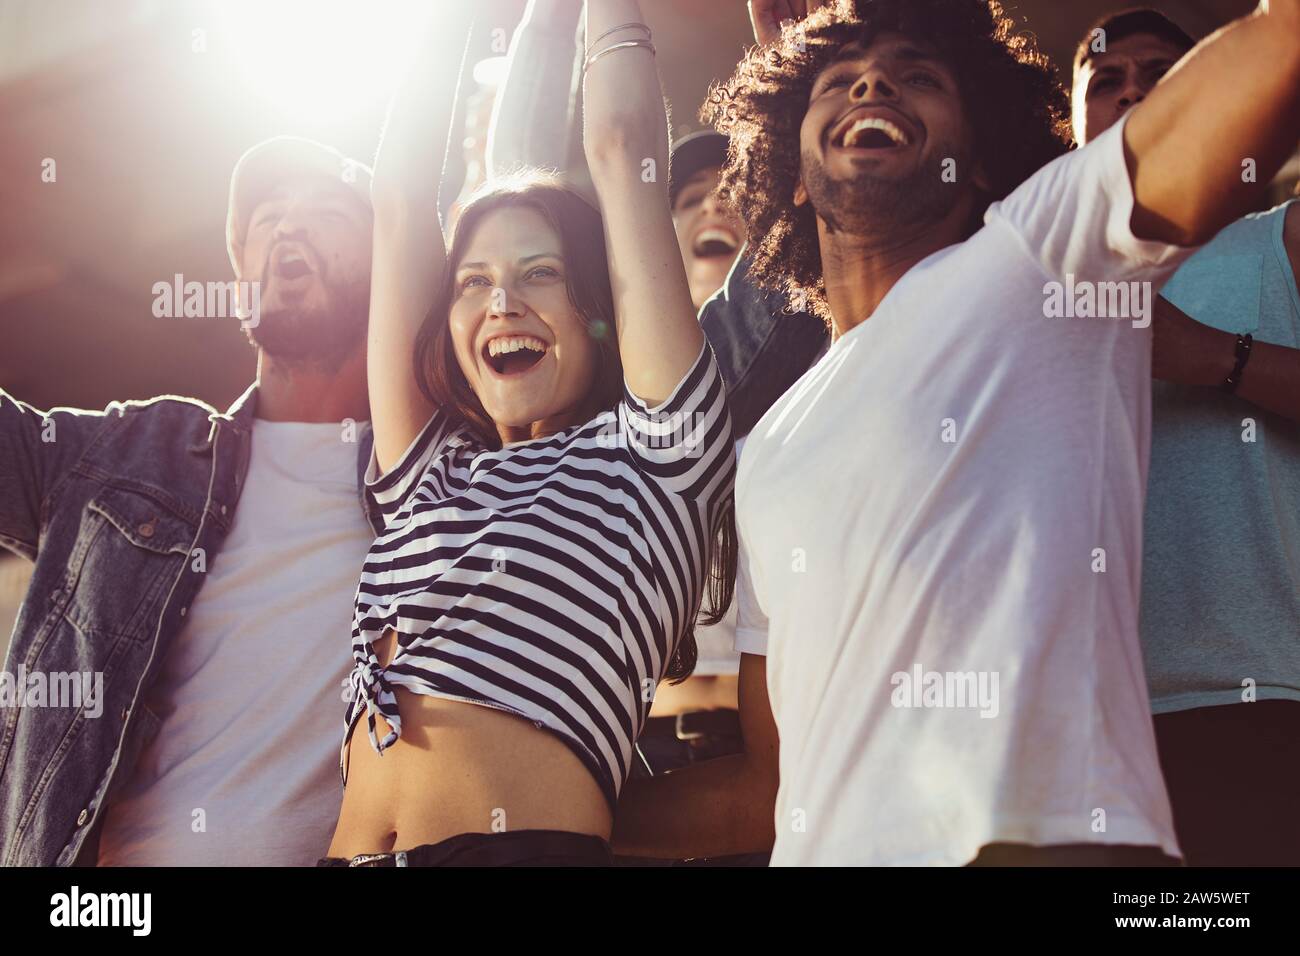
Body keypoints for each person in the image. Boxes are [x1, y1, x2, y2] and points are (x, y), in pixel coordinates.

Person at [615, 0, 1300, 866]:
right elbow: (766, 795)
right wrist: (524, 806)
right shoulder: (768, 448)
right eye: (839, 80)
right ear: (787, 169)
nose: (873, 82)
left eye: (920, 76)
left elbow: (1280, 46)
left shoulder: (1041, 256)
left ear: (979, 164)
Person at [320, 0, 735, 868]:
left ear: (598, 313)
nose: (500, 301)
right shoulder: (430, 472)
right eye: (473, 281)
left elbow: (622, 146)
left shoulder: (654, 456)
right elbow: (397, 201)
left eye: (539, 273)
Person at [0, 136, 378, 866]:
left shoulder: (436, 482)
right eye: (268, 218)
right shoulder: (132, 452)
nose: (288, 230)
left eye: (327, 212)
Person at [1074, 8, 1300, 866]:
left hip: (1253, 708)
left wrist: (1209, 356)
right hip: (1071, 738)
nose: (1133, 91)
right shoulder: (1016, 279)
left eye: (1162, 76)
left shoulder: (1278, 237)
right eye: (1106, 81)